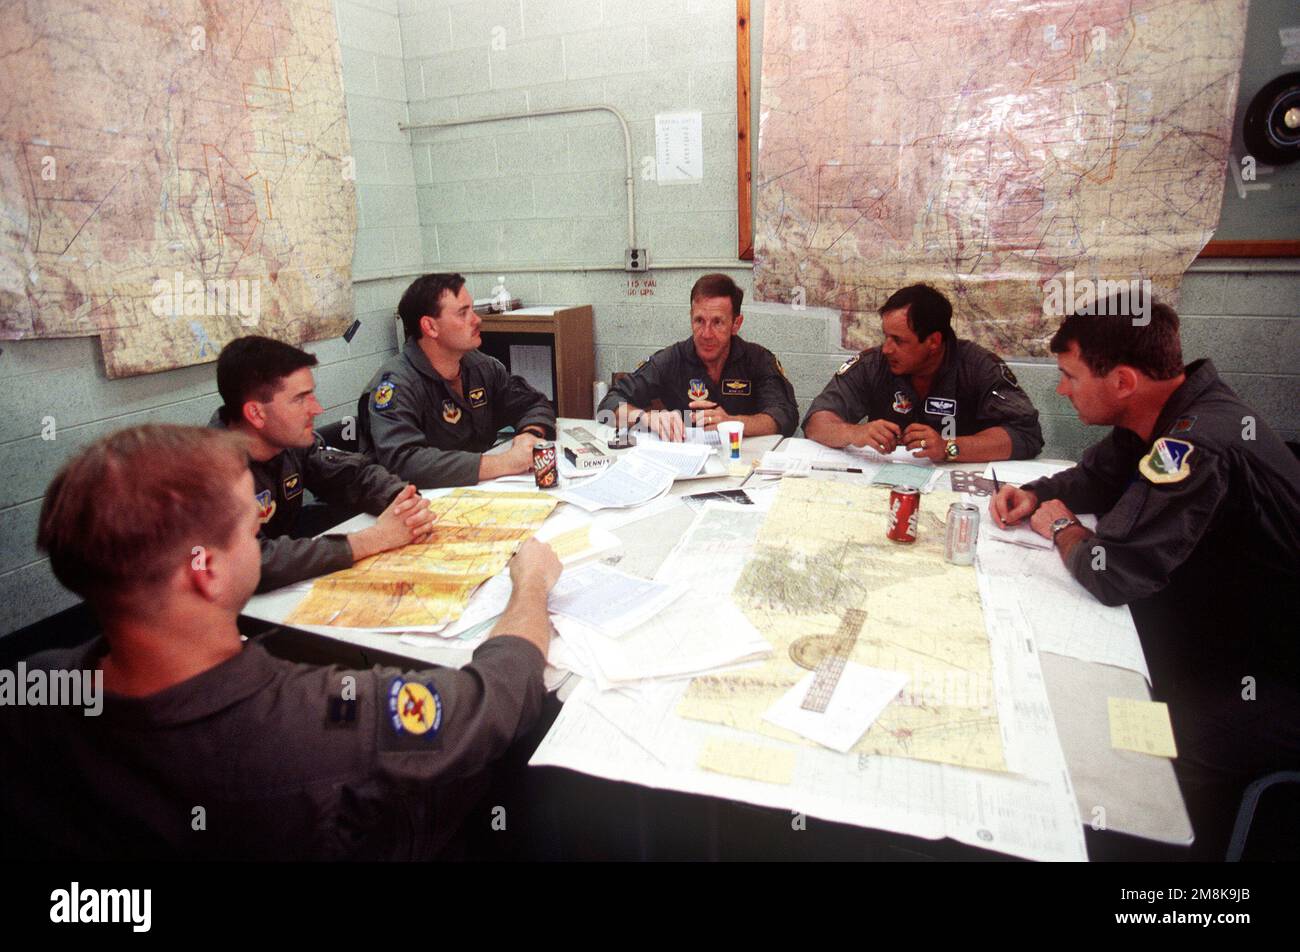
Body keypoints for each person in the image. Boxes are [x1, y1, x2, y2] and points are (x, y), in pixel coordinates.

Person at [0, 424, 562, 860]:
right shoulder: (329, 715)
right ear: (206, 571)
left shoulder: (33, 687)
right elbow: (494, 701)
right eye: (252, 530)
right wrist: (531, 582)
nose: (263, 540)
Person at [990, 298, 1300, 859]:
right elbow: (1097, 476)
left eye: (1069, 376)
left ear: (1124, 381)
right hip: (1230, 631)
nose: (1062, 390)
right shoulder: (1168, 412)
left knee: (1133, 752)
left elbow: (1114, 572)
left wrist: (1060, 527)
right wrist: (1040, 493)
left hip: (1277, 674)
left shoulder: (1194, 443)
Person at [213, 335, 434, 592]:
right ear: (256, 413)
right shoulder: (207, 472)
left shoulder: (291, 443)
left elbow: (352, 475)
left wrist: (403, 502)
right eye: (300, 399)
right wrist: (374, 539)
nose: (317, 409)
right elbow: (251, 561)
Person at [803, 284, 1043, 462]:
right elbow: (815, 423)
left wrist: (949, 447)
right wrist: (855, 432)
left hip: (956, 488)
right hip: (884, 479)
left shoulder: (978, 367)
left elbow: (1026, 434)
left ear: (933, 342)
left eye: (898, 340)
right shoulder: (873, 364)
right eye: (885, 336)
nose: (886, 349)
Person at [359, 273, 556, 487]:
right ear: (430, 327)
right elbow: (404, 463)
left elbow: (532, 403)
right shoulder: (396, 385)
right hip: (416, 504)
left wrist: (530, 435)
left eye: (472, 309)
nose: (477, 319)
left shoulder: (480, 366)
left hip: (476, 492)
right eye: (463, 313)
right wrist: (503, 463)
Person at [596, 273, 798, 442]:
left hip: (744, 463)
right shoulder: (671, 359)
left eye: (718, 322)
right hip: (687, 463)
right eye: (699, 320)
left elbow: (786, 417)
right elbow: (608, 405)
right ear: (690, 317)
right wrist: (645, 417)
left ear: (736, 324)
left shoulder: (758, 359)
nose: (706, 333)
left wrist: (733, 423)